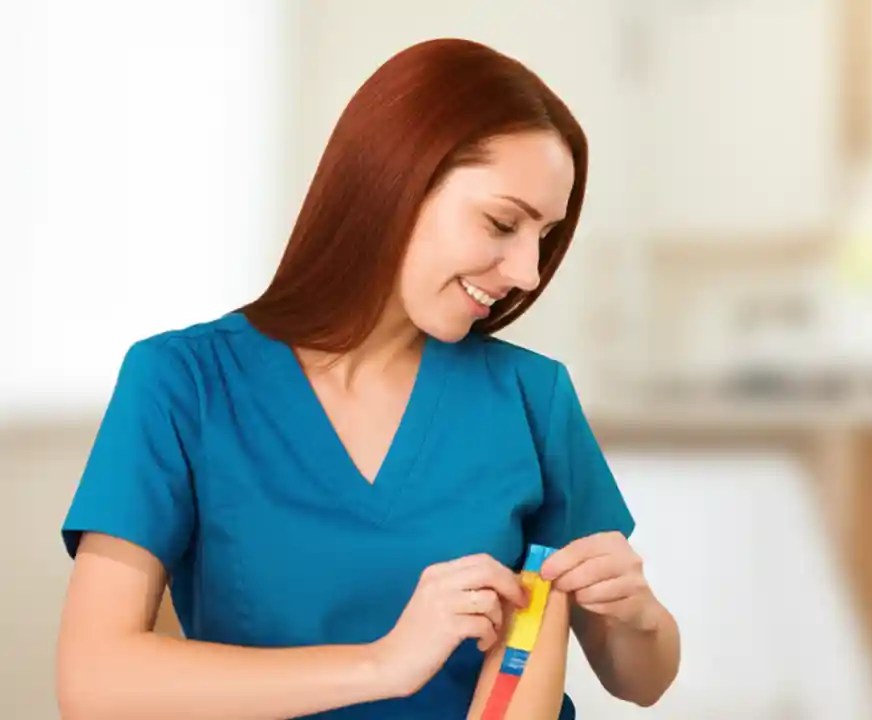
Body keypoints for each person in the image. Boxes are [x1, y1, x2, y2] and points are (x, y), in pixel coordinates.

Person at [55, 37, 680, 719]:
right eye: (502, 222)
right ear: (396, 180)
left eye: (545, 236)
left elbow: (639, 681)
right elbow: (95, 681)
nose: (528, 273)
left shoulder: (532, 398)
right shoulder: (183, 383)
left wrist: (639, 617)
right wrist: (384, 663)